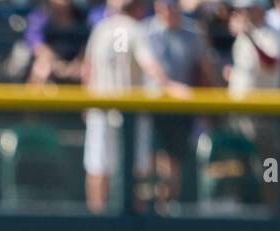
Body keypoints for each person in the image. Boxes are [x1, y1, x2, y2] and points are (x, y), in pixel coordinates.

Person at [82, 0, 192, 213]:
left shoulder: (101, 28)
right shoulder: (136, 30)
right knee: (137, 173)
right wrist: (170, 86)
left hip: (100, 110)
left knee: (98, 169)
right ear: (139, 9)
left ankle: (96, 222)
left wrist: (86, 106)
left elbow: (86, 71)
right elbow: (150, 66)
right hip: (129, 115)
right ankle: (133, 224)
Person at [146, 0, 214, 210]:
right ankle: (150, 208)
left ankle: (167, 207)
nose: (168, 11)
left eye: (173, 6)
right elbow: (153, 72)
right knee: (150, 162)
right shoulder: (146, 31)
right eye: (164, 6)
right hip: (149, 108)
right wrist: (172, 88)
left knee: (175, 160)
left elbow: (207, 69)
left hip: (181, 109)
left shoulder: (192, 32)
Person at [225, 0, 280, 207]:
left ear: (259, 9)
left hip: (264, 113)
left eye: (246, 8)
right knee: (239, 165)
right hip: (239, 112)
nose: (241, 12)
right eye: (240, 9)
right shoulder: (245, 35)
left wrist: (249, 35)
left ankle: (273, 210)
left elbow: (270, 63)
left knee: (269, 165)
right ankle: (243, 206)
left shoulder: (272, 33)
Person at [25, 0, 90, 86]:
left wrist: (77, 64)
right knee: (41, 69)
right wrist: (55, 64)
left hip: (76, 66)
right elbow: (36, 44)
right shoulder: (40, 16)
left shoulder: (84, 18)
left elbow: (88, 46)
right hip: (50, 63)